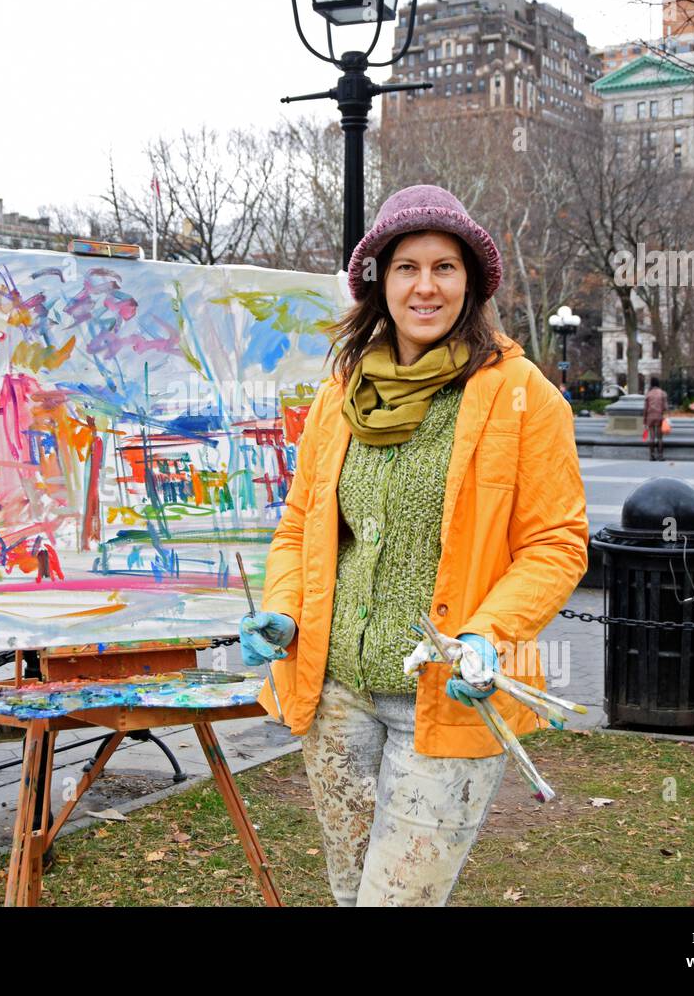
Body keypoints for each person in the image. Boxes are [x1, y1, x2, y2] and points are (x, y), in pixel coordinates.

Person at [240, 184, 589, 907]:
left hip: (450, 701)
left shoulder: (524, 397)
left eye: (444, 267)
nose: (424, 286)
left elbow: (556, 543)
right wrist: (282, 610)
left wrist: (490, 633)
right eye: (406, 267)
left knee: (396, 899)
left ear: (472, 284)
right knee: (351, 892)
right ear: (379, 282)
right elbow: (302, 524)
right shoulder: (341, 394)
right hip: (336, 698)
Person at [643, 375, 669, 461]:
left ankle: (651, 455)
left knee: (652, 437)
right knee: (660, 437)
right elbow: (665, 407)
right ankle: (660, 455)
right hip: (659, 416)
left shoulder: (648, 394)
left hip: (650, 416)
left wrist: (644, 421)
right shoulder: (662, 393)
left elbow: (645, 409)